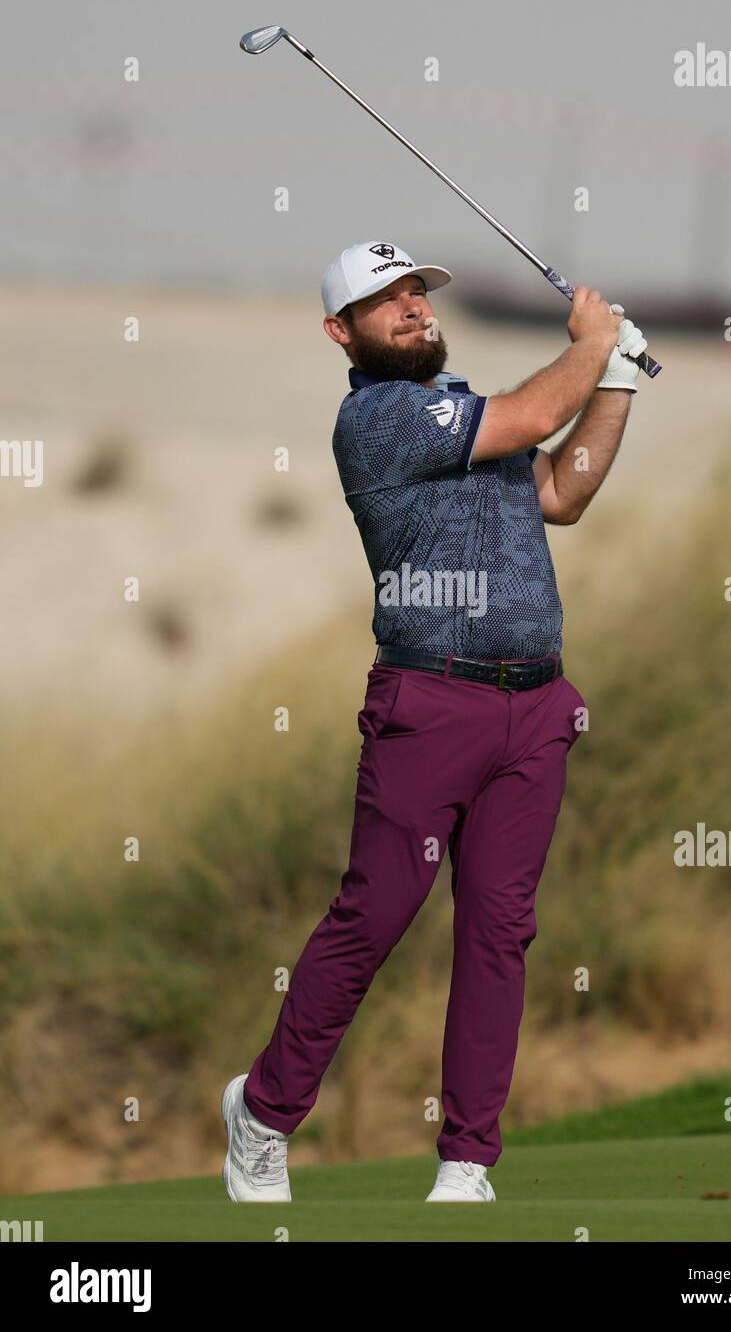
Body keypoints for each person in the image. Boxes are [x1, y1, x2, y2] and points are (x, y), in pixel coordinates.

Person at [222, 240, 648, 1203]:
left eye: (416, 291)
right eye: (385, 301)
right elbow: (541, 412)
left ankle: (467, 1159)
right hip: (432, 703)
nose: (411, 307)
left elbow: (561, 491)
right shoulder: (379, 420)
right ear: (343, 332)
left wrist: (616, 378)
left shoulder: (461, 411)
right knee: (375, 915)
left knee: (500, 931)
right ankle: (264, 1114)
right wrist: (593, 341)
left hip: (535, 707)